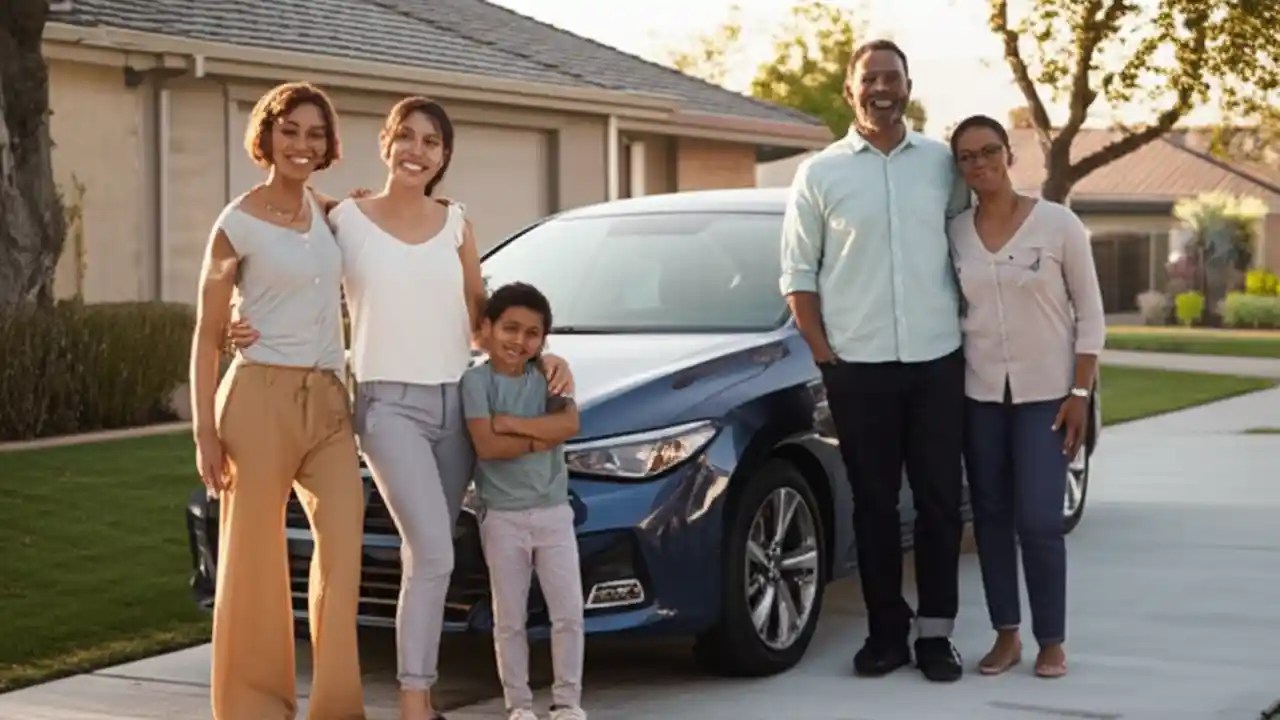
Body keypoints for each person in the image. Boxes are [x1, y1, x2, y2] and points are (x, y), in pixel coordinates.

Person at [229, 96, 573, 720]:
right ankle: (416, 700)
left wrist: (542, 356)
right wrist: (237, 314)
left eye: (432, 143)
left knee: (427, 555)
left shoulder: (457, 223)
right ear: (385, 142)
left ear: (444, 157)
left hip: (454, 405)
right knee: (436, 550)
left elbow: (482, 324)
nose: (418, 151)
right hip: (388, 409)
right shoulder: (344, 218)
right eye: (407, 137)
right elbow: (281, 259)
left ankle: (420, 691)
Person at [779, 39, 971, 683]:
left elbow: (969, 245)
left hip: (938, 362)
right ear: (850, 91)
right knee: (874, 505)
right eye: (870, 79)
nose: (882, 88)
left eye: (893, 77)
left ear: (909, 86)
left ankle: (936, 635)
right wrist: (826, 357)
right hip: (857, 369)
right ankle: (886, 631)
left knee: (942, 502)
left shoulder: (944, 165)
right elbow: (798, 275)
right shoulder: (820, 173)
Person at [190, 81, 367, 720]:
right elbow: (208, 335)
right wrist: (204, 433)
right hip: (257, 397)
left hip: (326, 403)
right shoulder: (235, 222)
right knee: (253, 561)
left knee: (342, 548)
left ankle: (336, 708)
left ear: (327, 146)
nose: (302, 143)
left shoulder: (329, 212)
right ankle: (252, 708)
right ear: (266, 134)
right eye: (290, 129)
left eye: (315, 133)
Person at [947, 114, 1105, 679]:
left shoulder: (1059, 225)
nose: (980, 163)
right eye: (967, 156)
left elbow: (1090, 313)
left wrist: (1080, 391)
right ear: (959, 167)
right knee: (989, 517)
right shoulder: (956, 233)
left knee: (1039, 520)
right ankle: (1006, 635)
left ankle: (1052, 640)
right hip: (980, 395)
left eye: (989, 150)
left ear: (1009, 154)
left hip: (1048, 396)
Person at [459, 282, 586, 720]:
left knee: (567, 611)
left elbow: (569, 423)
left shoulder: (548, 376)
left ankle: (568, 702)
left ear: (543, 340)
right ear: (487, 328)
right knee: (509, 617)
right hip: (501, 516)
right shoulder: (474, 382)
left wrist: (513, 423)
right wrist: (541, 434)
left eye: (533, 333)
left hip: (553, 510)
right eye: (510, 328)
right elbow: (487, 446)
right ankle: (519, 705)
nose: (520, 341)